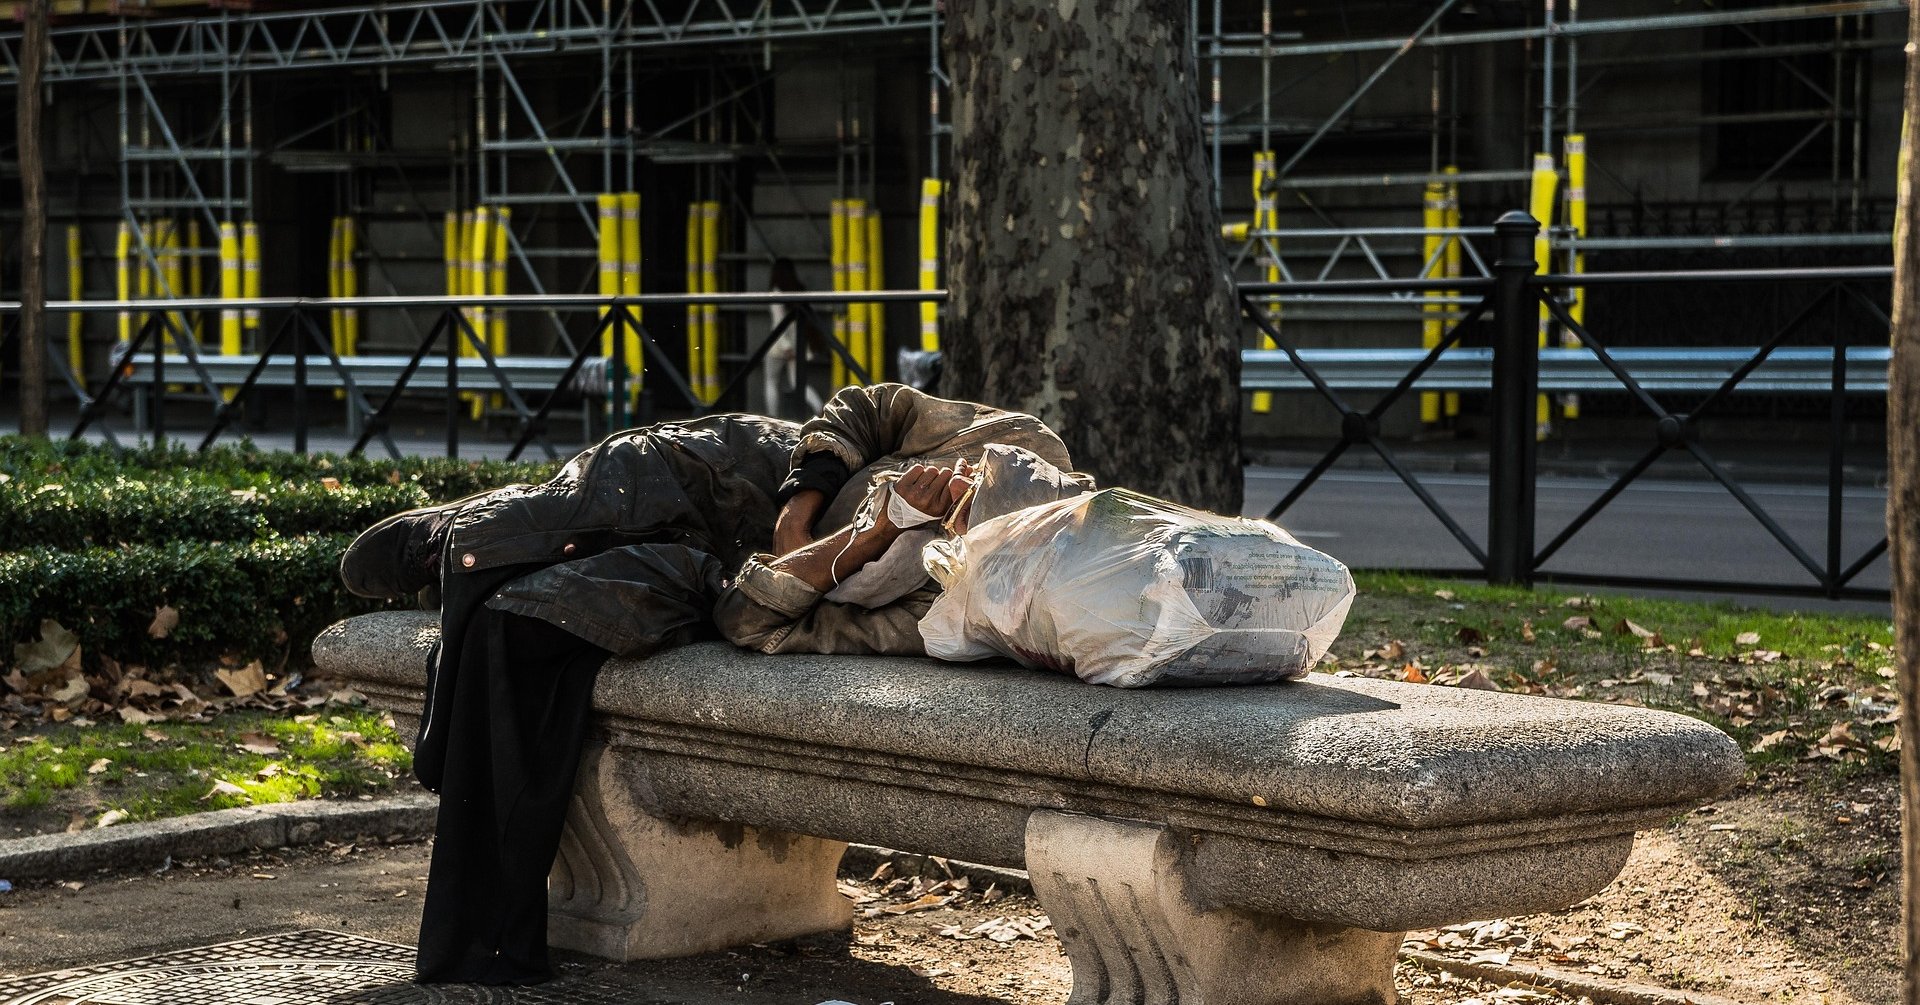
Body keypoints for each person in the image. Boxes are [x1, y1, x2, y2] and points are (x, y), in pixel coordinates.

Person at [335, 381, 1074, 985]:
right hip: (742, 472)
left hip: (714, 577)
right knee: (600, 496)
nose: (955, 497)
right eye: (969, 486)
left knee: (522, 623)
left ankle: (472, 558)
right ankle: (462, 540)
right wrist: (801, 513)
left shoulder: (942, 611)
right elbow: (871, 407)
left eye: (965, 520)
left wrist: (867, 538)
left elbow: (752, 621)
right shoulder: (1025, 444)